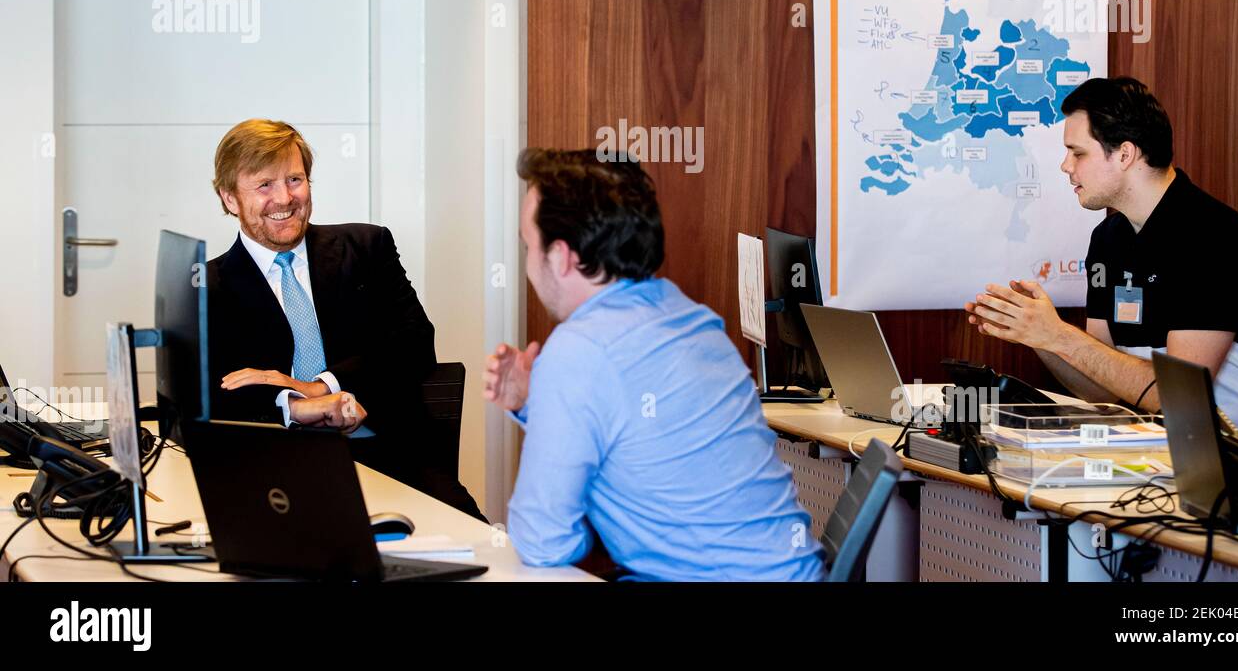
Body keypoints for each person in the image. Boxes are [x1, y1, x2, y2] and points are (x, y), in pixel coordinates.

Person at [484, 148, 826, 580]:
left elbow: (544, 539)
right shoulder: (688, 316)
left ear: (564, 256)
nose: (529, 266)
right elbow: (645, 444)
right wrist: (538, 402)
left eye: (529, 246)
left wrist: (554, 391)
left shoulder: (578, 352)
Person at [966, 77, 1238, 435]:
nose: (1065, 166)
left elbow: (1177, 395)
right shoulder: (1107, 239)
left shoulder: (1212, 236)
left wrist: (1060, 336)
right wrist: (1037, 335)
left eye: (1078, 153)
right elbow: (1102, 389)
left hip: (1232, 468)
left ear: (1125, 154)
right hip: (1148, 455)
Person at [206, 119, 483, 520]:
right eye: (264, 185)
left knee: (480, 548)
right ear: (229, 198)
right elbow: (210, 394)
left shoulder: (367, 248)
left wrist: (318, 386)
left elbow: (415, 343)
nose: (284, 198)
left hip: (390, 455)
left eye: (295, 179)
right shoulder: (208, 286)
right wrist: (294, 406)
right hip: (275, 467)